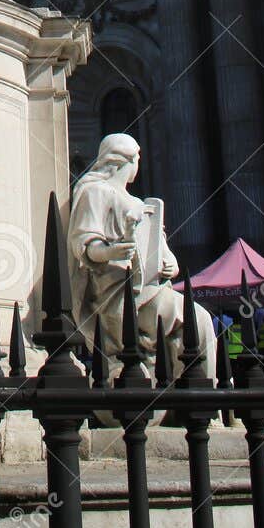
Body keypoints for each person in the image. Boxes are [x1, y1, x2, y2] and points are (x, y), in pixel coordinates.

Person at [67, 133, 216, 382]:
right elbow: (84, 245)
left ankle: (195, 396)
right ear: (125, 160)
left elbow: (163, 251)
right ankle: (198, 400)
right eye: (137, 158)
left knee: (197, 322)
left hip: (151, 288)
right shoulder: (95, 192)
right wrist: (112, 252)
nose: (138, 164)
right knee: (196, 319)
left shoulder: (139, 203)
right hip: (119, 292)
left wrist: (171, 265)